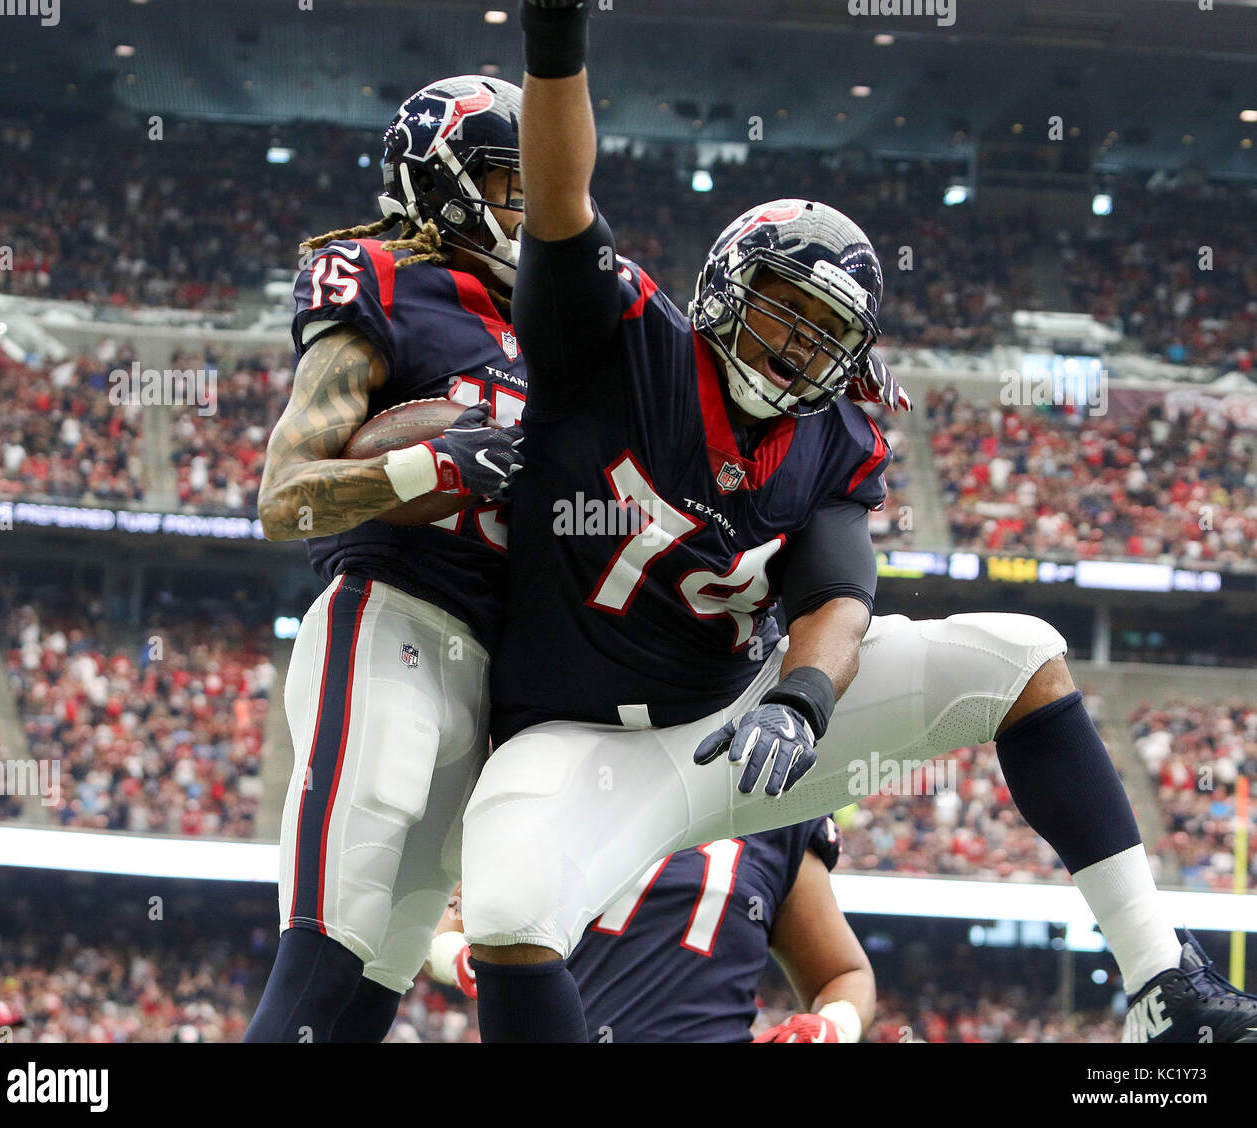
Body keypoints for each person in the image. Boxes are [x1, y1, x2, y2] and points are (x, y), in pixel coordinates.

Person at [456, 0, 1257, 1045]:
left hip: (743, 729)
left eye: (825, 334)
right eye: (787, 307)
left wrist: (799, 699)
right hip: (583, 740)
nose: (795, 348)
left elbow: (837, 590)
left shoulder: (833, 434)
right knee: (511, 914)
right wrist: (554, 49)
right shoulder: (621, 339)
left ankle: (1163, 982)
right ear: (729, 283)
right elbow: (559, 200)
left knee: (1023, 656)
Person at [245, 75, 527, 1043]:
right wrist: (432, 465)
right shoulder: (375, 276)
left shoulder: (545, 327)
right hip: (385, 626)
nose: (525, 208)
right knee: (325, 950)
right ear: (445, 183)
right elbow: (284, 496)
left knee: (366, 1000)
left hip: (486, 677)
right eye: (507, 183)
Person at [429, 815, 875, 1043]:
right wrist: (466, 962)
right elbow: (446, 920)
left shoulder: (777, 807)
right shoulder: (566, 763)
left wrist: (830, 1026)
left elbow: (844, 974)